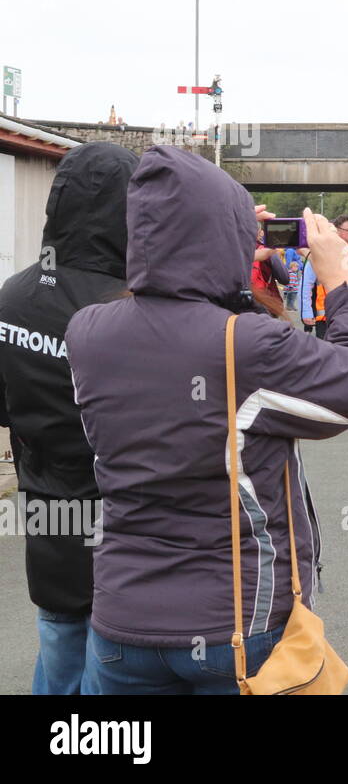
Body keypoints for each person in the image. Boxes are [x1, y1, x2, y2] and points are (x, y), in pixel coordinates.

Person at [65, 143, 348, 694]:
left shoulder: (88, 331)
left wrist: (227, 253)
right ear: (223, 237)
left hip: (120, 625)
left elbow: (183, 326)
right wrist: (338, 282)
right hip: (236, 627)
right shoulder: (247, 344)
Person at [0, 141, 138, 694]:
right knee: (116, 664)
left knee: (58, 643)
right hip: (123, 518)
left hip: (46, 509)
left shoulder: (14, 295)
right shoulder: (130, 305)